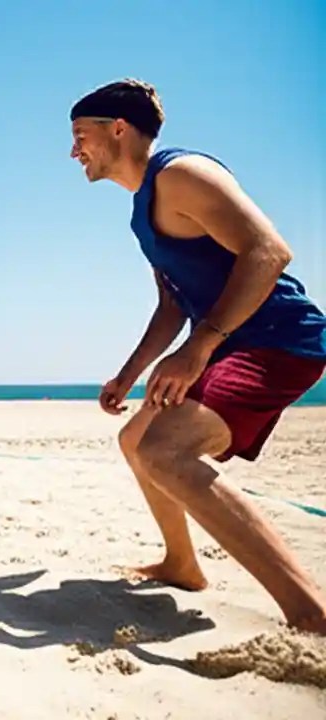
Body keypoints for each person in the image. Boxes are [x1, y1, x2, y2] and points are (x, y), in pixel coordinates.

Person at [69, 78, 326, 634]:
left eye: (80, 135)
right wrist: (129, 374)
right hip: (229, 342)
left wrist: (200, 345)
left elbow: (269, 251)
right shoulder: (142, 212)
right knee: (136, 440)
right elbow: (171, 304)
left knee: (165, 450)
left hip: (279, 339)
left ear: (119, 129)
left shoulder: (182, 173)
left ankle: (310, 612)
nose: (73, 151)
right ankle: (182, 565)